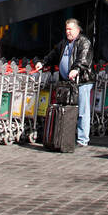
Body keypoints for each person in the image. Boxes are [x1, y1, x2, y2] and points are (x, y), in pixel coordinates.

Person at [42, 18, 95, 148]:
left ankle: (83, 139)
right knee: (66, 109)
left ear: (77, 30)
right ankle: (65, 135)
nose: (68, 32)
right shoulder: (64, 43)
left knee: (82, 110)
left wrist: (76, 69)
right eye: (66, 29)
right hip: (66, 82)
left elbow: (83, 59)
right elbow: (53, 54)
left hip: (82, 81)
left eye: (70, 29)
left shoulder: (84, 42)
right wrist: (43, 62)